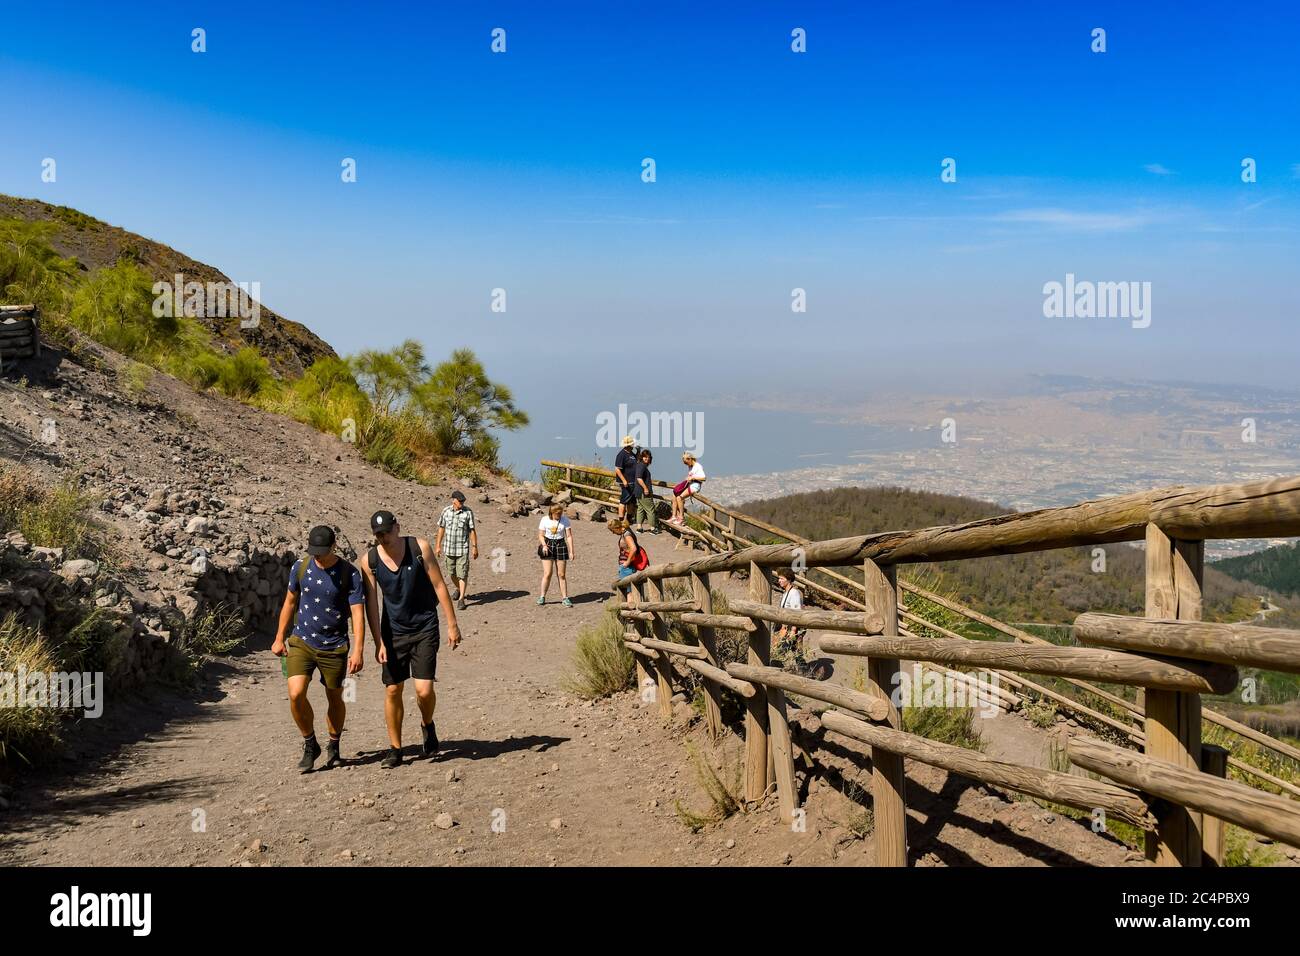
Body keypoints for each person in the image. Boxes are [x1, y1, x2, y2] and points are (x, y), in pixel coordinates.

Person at [360, 510, 462, 769]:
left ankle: (427, 724)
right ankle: (395, 749)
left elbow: (439, 585)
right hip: (392, 633)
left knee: (424, 691)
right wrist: (378, 641)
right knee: (393, 689)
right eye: (378, 534)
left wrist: (452, 624)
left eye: (387, 532)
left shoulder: (420, 547)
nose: (383, 538)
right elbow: (371, 605)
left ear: (397, 527)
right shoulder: (370, 561)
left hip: (425, 627)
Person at [271, 525, 365, 773]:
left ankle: (334, 745)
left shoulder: (350, 574)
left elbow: (357, 614)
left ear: (334, 546)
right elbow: (290, 601)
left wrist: (358, 649)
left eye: (322, 551)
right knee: (295, 693)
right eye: (314, 551)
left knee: (335, 697)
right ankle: (310, 743)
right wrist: (279, 637)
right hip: (301, 641)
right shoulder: (300, 567)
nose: (318, 556)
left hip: (334, 646)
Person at [435, 490, 478, 611]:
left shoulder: (468, 513)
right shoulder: (446, 512)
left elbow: (472, 530)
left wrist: (475, 546)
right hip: (449, 549)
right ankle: (459, 589)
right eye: (460, 501)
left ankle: (461, 599)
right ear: (453, 500)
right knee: (452, 573)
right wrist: (438, 545)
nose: (462, 503)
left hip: (462, 549)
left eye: (463, 501)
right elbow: (441, 529)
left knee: (462, 574)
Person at [537, 504, 575, 606]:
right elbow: (540, 535)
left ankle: (565, 598)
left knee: (561, 574)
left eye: (560, 513)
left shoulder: (565, 520)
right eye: (557, 514)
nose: (559, 515)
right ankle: (542, 596)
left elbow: (569, 536)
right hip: (548, 544)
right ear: (552, 512)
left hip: (561, 544)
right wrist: (544, 545)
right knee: (547, 573)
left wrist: (571, 551)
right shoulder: (544, 519)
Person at [609, 518, 648, 587]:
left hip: (627, 567)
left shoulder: (627, 535)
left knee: (628, 591)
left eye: (613, 530)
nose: (613, 533)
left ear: (617, 528)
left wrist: (627, 562)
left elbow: (633, 548)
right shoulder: (626, 531)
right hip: (628, 566)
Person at [670, 452, 706, 525]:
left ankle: (681, 518)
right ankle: (674, 516)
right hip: (690, 484)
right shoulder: (691, 466)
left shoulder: (698, 466)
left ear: (690, 459)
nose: (686, 464)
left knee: (679, 498)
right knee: (675, 495)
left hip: (695, 486)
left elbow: (704, 478)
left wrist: (692, 478)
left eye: (686, 462)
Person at [613, 435, 639, 523]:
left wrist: (638, 451)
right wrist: (624, 480)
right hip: (626, 482)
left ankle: (628, 519)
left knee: (631, 501)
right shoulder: (621, 455)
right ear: (628, 445)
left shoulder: (631, 453)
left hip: (632, 481)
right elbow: (617, 469)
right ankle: (620, 519)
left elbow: (636, 460)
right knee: (624, 500)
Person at [633, 448, 659, 534]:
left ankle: (639, 528)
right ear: (642, 457)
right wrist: (645, 488)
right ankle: (652, 529)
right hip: (643, 492)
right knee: (650, 509)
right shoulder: (642, 466)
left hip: (638, 491)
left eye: (648, 457)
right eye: (645, 457)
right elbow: (639, 478)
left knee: (640, 509)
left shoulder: (640, 465)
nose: (647, 459)